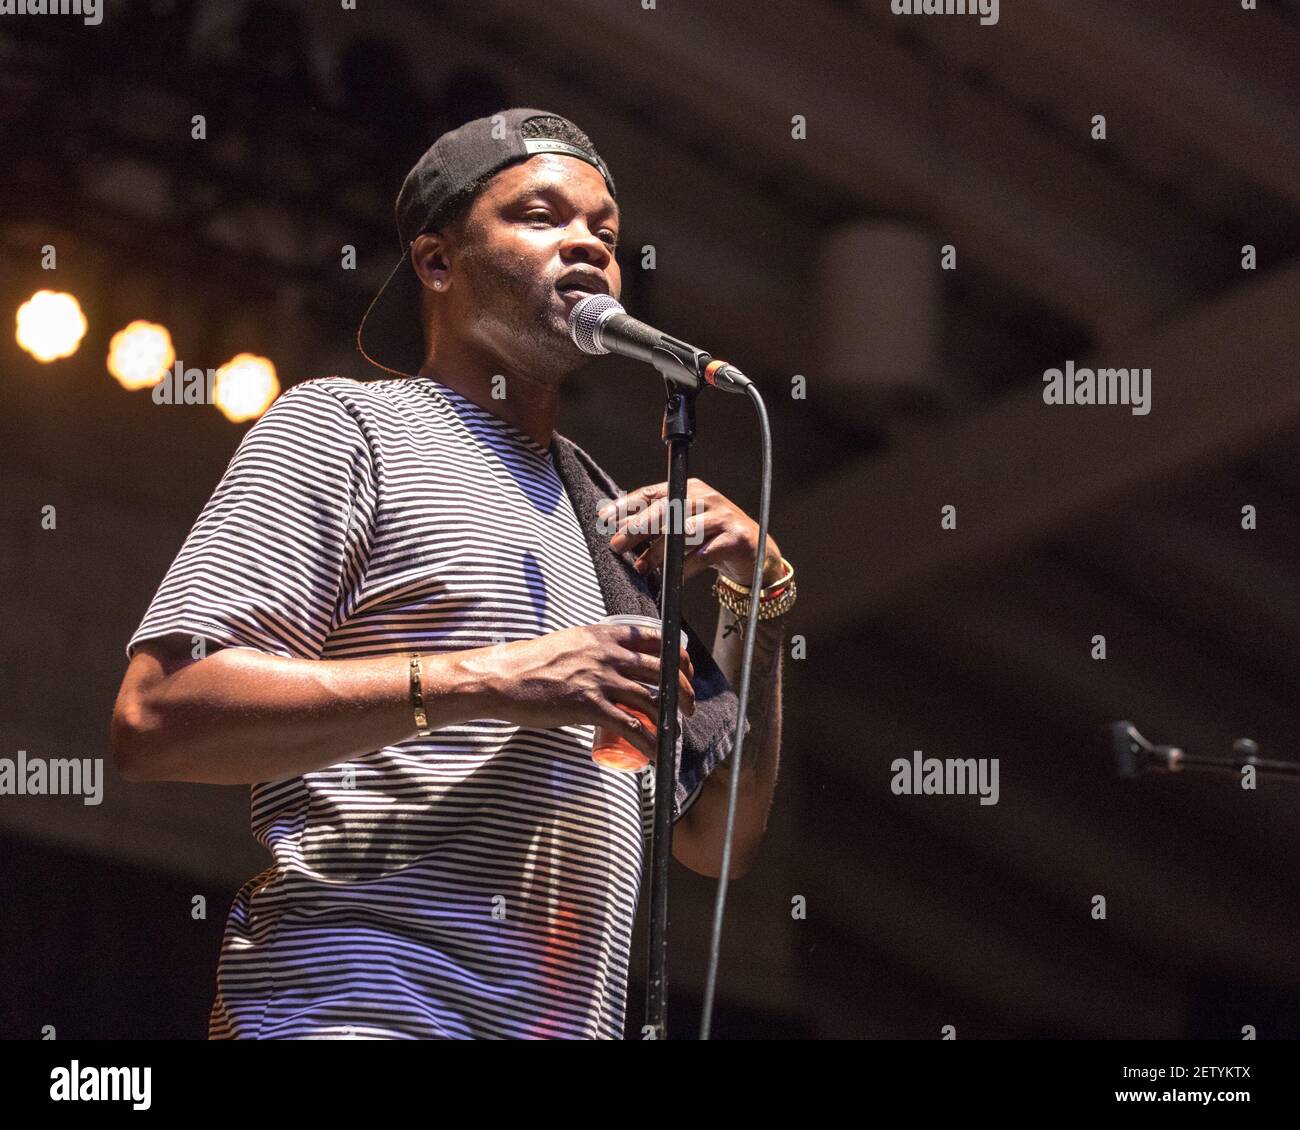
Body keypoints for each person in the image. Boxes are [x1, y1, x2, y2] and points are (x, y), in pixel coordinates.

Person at [110, 109, 794, 1040]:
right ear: (438, 263)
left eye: (605, 231)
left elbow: (719, 839)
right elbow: (157, 719)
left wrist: (758, 596)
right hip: (353, 1015)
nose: (587, 246)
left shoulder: (608, 516)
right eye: (542, 216)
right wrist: (500, 678)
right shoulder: (348, 427)